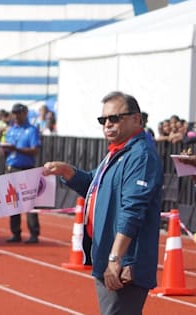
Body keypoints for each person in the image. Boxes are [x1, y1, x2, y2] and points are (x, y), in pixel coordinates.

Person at [43, 91, 163, 315]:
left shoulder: (140, 155)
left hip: (123, 262)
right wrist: (68, 172)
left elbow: (133, 211)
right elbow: (95, 185)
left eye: (115, 118)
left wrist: (117, 257)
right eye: (103, 120)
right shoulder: (117, 152)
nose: (107, 124)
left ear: (136, 119)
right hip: (107, 254)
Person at [1, 103, 41, 243]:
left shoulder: (31, 130)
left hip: (25, 169)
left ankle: (34, 233)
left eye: (19, 113)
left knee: (29, 202)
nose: (16, 116)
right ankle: (15, 232)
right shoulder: (11, 129)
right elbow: (6, 146)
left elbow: (35, 150)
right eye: (14, 113)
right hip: (11, 167)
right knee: (13, 202)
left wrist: (16, 149)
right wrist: (5, 150)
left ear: (25, 113)